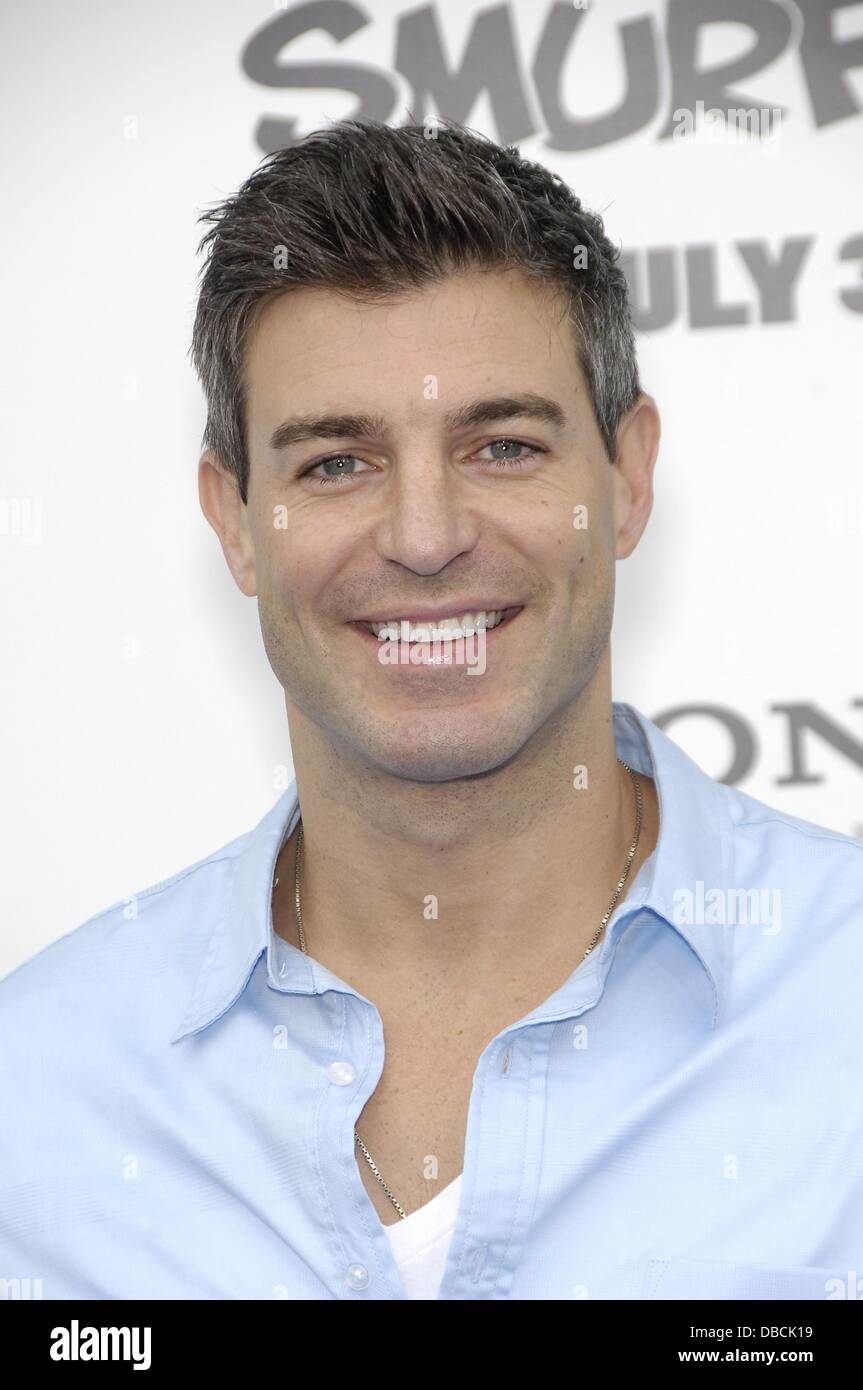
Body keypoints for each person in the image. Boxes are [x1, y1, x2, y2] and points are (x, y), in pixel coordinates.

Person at [1, 119, 861, 1303]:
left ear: (626, 479)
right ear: (233, 520)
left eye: (500, 445)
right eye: (334, 463)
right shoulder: (33, 1089)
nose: (424, 536)